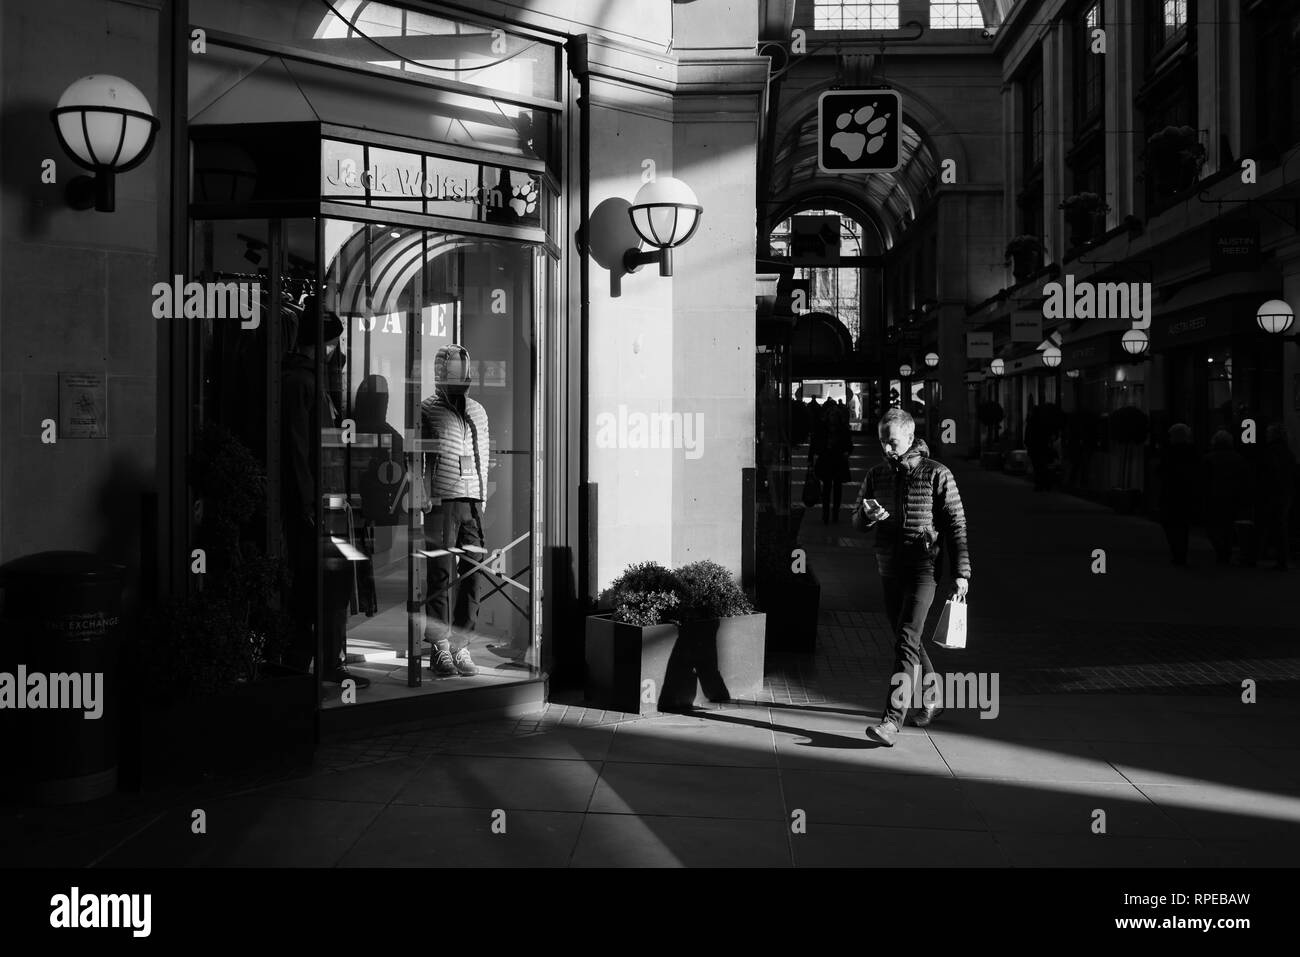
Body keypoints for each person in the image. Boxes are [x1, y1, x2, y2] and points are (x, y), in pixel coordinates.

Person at [853, 409, 972, 746]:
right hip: (889, 567)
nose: (887, 449)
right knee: (910, 640)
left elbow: (956, 526)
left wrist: (961, 572)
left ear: (909, 437)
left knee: (905, 640)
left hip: (924, 569)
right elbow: (856, 522)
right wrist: (866, 515)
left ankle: (891, 721)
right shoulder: (877, 475)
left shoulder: (937, 474)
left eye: (891, 442)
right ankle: (934, 698)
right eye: (882, 442)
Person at [281, 296, 369, 688]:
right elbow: (297, 449)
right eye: (334, 342)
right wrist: (307, 503)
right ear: (325, 344)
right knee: (318, 587)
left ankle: (319, 662)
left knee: (328, 585)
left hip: (325, 504)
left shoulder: (311, 382)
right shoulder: (301, 382)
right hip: (316, 506)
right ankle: (308, 663)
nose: (338, 351)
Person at [420, 344, 491, 677]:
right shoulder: (426, 411)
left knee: (473, 572)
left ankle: (462, 644)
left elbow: (483, 457)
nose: (462, 378)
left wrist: (481, 498)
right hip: (441, 501)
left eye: (464, 371)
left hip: (471, 501)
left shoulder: (477, 411)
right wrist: (422, 496)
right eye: (454, 371)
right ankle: (439, 646)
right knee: (441, 574)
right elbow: (416, 458)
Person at [1202, 430, 1249, 565]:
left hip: (1213, 496)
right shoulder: (1238, 458)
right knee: (1227, 526)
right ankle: (1226, 551)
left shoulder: (1208, 459)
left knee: (1213, 526)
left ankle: (1220, 550)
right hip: (1232, 496)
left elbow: (1203, 480)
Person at [1158, 423, 1200, 566]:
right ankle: (1181, 553)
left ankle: (1177, 552)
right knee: (1182, 525)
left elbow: (1162, 471)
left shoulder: (1168, 451)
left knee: (1170, 524)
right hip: (1186, 493)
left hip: (1171, 493)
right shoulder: (1192, 451)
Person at [1256, 423, 1296, 570]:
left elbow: (1267, 474)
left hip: (1273, 492)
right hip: (1286, 492)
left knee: (1271, 524)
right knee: (1280, 525)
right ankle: (1281, 557)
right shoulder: (1287, 452)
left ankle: (1264, 554)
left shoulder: (1270, 452)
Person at [812, 402, 852, 523]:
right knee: (828, 488)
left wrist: (846, 452)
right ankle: (826, 513)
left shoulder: (841, 429)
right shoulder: (824, 429)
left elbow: (849, 445)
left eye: (834, 415)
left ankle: (834, 513)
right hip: (828, 459)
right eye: (831, 415)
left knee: (836, 488)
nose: (832, 418)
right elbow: (815, 444)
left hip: (837, 460)